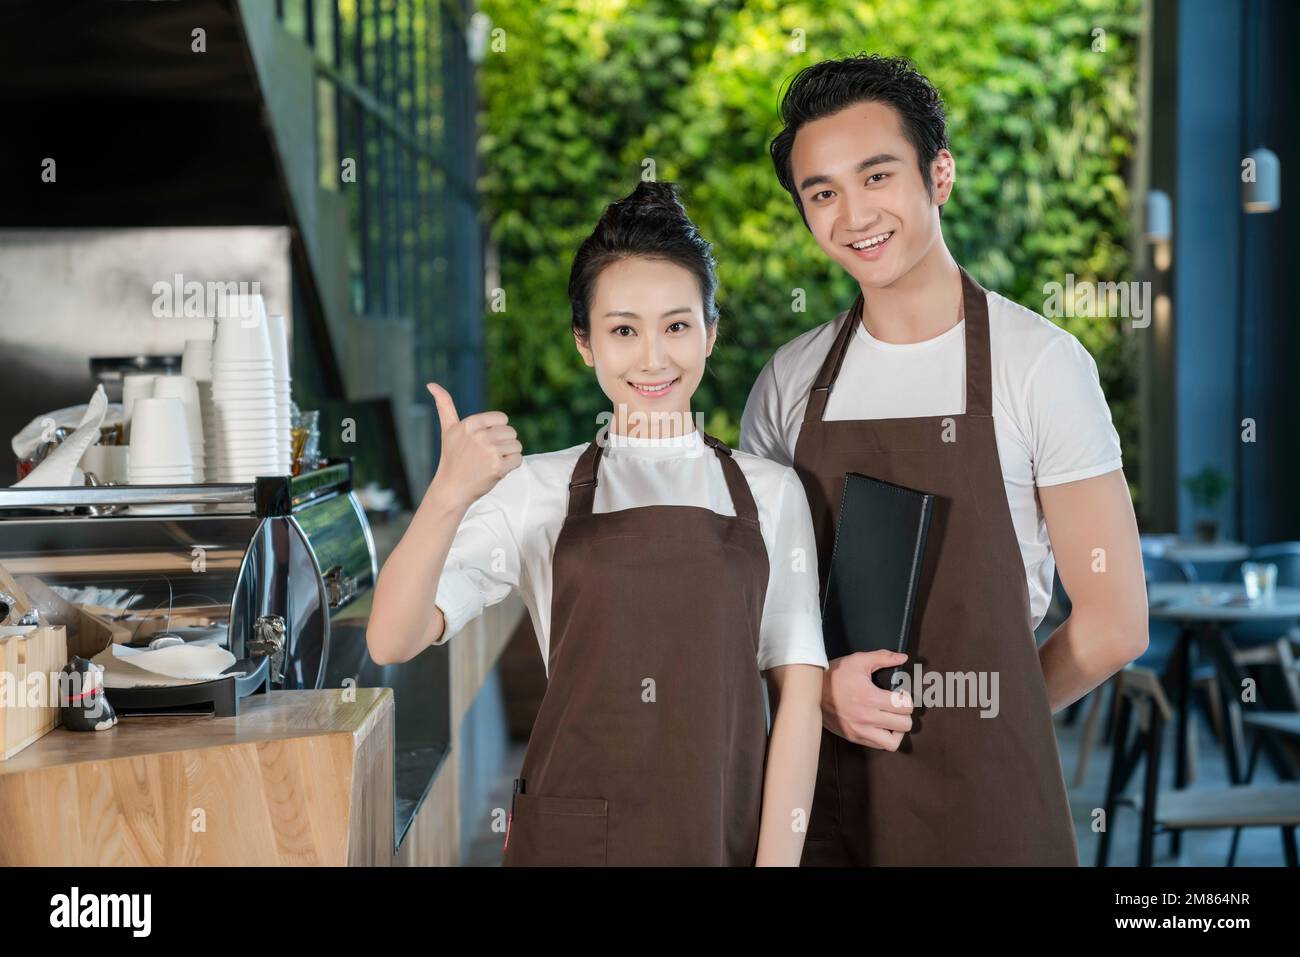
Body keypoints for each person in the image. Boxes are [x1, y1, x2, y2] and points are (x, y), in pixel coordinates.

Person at [741, 53, 1149, 865]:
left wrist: (980, 711)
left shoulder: (1039, 364)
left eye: (877, 175)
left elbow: (1113, 625)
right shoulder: (791, 382)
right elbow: (744, 601)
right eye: (821, 193)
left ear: (940, 173)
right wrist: (820, 695)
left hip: (993, 804)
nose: (853, 213)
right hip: (823, 792)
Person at [367, 181, 827, 866]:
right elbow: (391, 639)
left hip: (720, 832)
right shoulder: (538, 488)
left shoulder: (770, 493)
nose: (652, 358)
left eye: (676, 325)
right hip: (573, 837)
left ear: (710, 331)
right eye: (622, 330)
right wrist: (446, 496)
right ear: (584, 343)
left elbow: (800, 698)